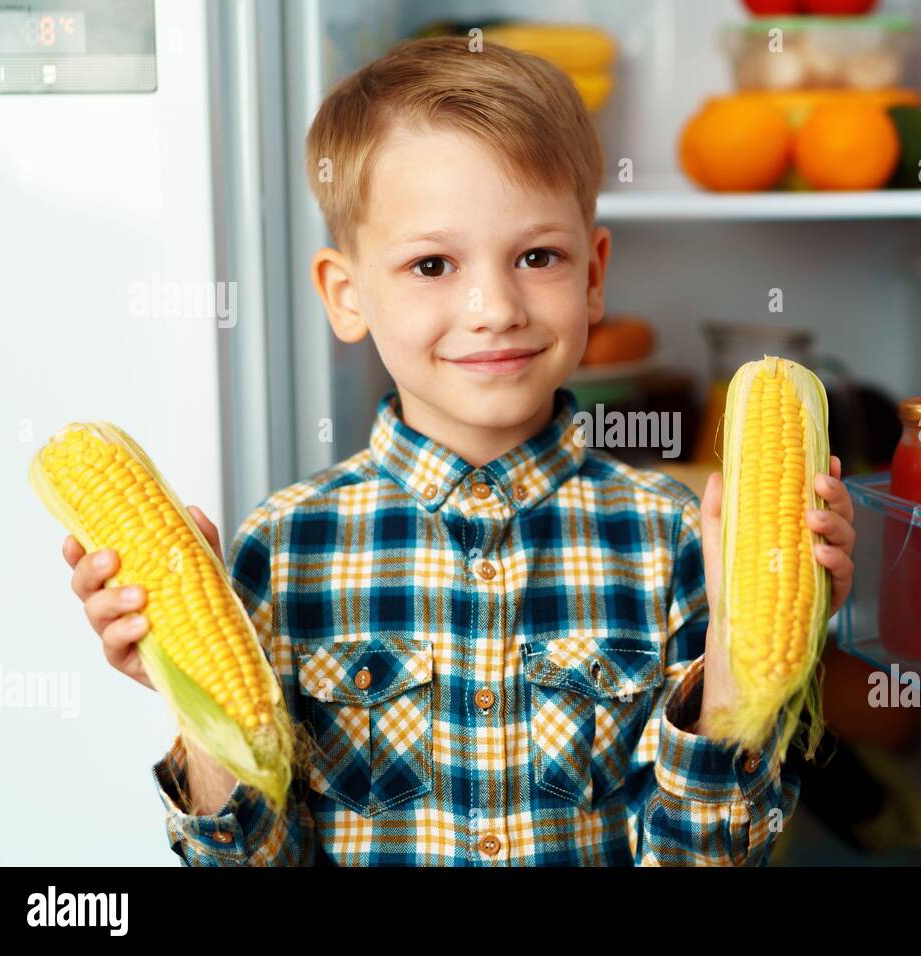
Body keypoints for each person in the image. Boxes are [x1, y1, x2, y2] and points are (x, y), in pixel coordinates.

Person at [61, 36, 856, 866]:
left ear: (594, 275)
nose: (493, 307)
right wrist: (195, 695)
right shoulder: (284, 547)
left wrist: (746, 659)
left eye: (536, 257)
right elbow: (248, 860)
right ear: (347, 294)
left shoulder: (678, 540)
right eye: (433, 264)